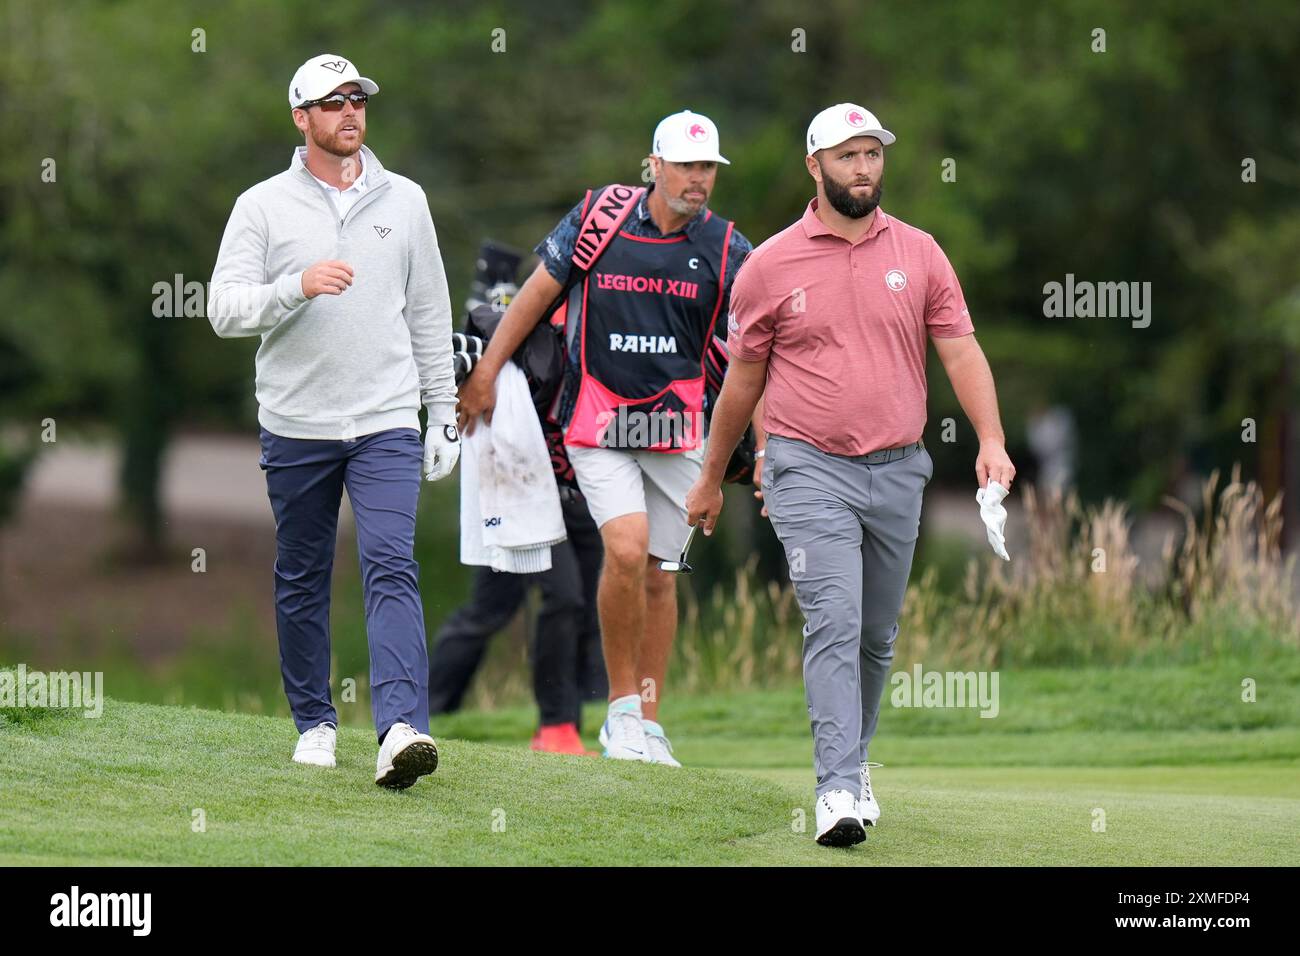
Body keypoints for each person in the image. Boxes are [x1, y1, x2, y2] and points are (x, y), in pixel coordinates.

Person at [685, 103, 1016, 845]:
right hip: (806, 465)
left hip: (900, 469)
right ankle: (834, 789)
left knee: (875, 634)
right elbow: (741, 381)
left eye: (872, 154)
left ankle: (856, 760)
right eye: (847, 156)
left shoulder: (922, 252)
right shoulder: (769, 265)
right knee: (833, 620)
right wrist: (712, 478)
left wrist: (991, 439)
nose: (863, 168)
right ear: (816, 167)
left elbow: (960, 350)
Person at [458, 110, 754, 765]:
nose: (697, 179)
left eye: (707, 167)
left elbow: (757, 351)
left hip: (678, 430)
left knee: (661, 576)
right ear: (654, 164)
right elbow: (537, 293)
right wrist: (485, 370)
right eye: (685, 165)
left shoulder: (730, 247)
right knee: (626, 550)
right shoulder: (601, 216)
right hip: (598, 420)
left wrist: (762, 445)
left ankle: (647, 722)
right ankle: (620, 714)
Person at [207, 54, 461, 790]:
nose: (350, 111)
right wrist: (295, 286)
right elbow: (223, 308)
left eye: (357, 99)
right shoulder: (262, 206)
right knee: (302, 576)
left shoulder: (406, 200)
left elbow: (428, 312)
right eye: (332, 102)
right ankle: (316, 722)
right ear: (301, 118)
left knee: (390, 562)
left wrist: (441, 410)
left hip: (385, 418)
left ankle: (401, 729)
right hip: (297, 422)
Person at [428, 244, 608, 754]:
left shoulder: (602, 331)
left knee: (501, 608)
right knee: (562, 598)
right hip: (522, 492)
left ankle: (561, 722)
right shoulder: (526, 324)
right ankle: (551, 726)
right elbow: (468, 342)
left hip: (578, 495)